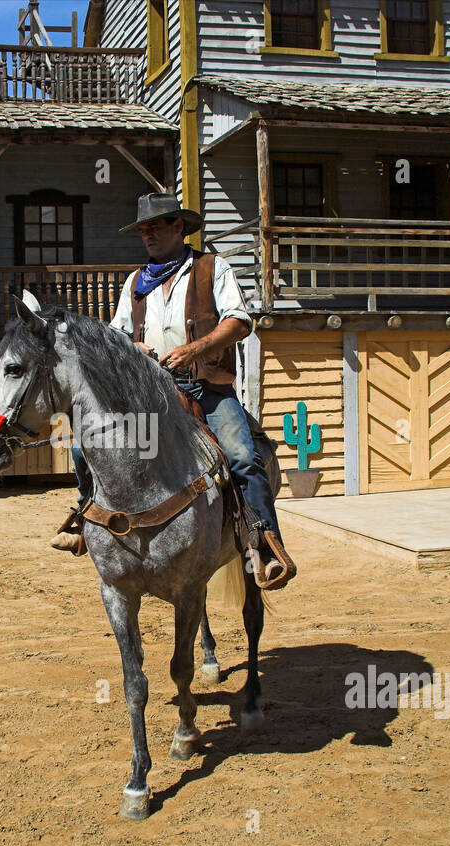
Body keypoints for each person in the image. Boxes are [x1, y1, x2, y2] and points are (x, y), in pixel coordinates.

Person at [49, 192, 296, 590]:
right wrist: (134, 348)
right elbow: (117, 335)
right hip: (150, 395)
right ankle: (84, 516)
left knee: (242, 456)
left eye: (155, 227)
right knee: (84, 445)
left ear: (179, 227)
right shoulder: (136, 282)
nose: (147, 236)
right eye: (143, 230)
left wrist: (196, 349)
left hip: (206, 388)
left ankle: (264, 543)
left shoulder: (211, 269)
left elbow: (239, 321)